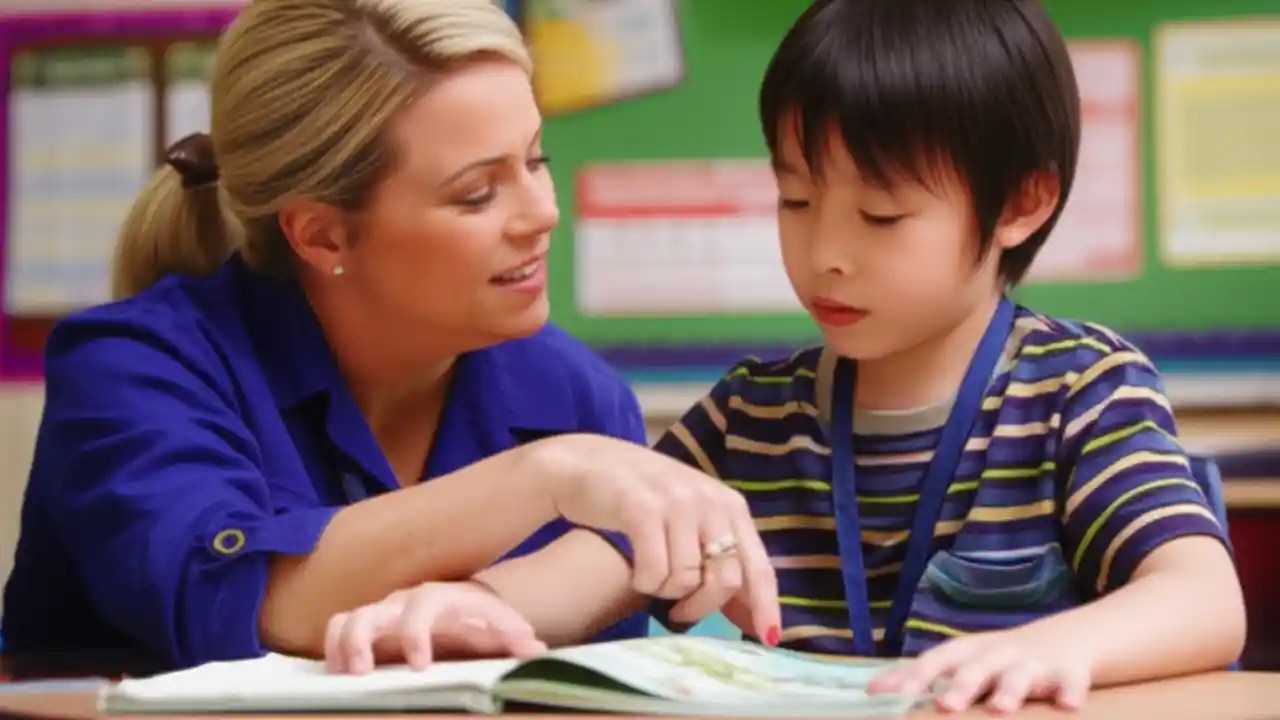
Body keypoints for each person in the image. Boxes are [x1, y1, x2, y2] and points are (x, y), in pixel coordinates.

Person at [334, 0, 1247, 712]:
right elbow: (597, 560)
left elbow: (1204, 601)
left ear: (1020, 204)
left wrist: (1058, 648)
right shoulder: (750, 416)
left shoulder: (1082, 393)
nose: (826, 254)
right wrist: (478, 605)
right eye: (796, 201)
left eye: (882, 216)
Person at [0, 0, 780, 673]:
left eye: (536, 160)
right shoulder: (132, 370)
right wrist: (545, 474)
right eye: (477, 193)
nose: (542, 211)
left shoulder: (575, 395)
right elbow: (230, 599)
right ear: (321, 235)